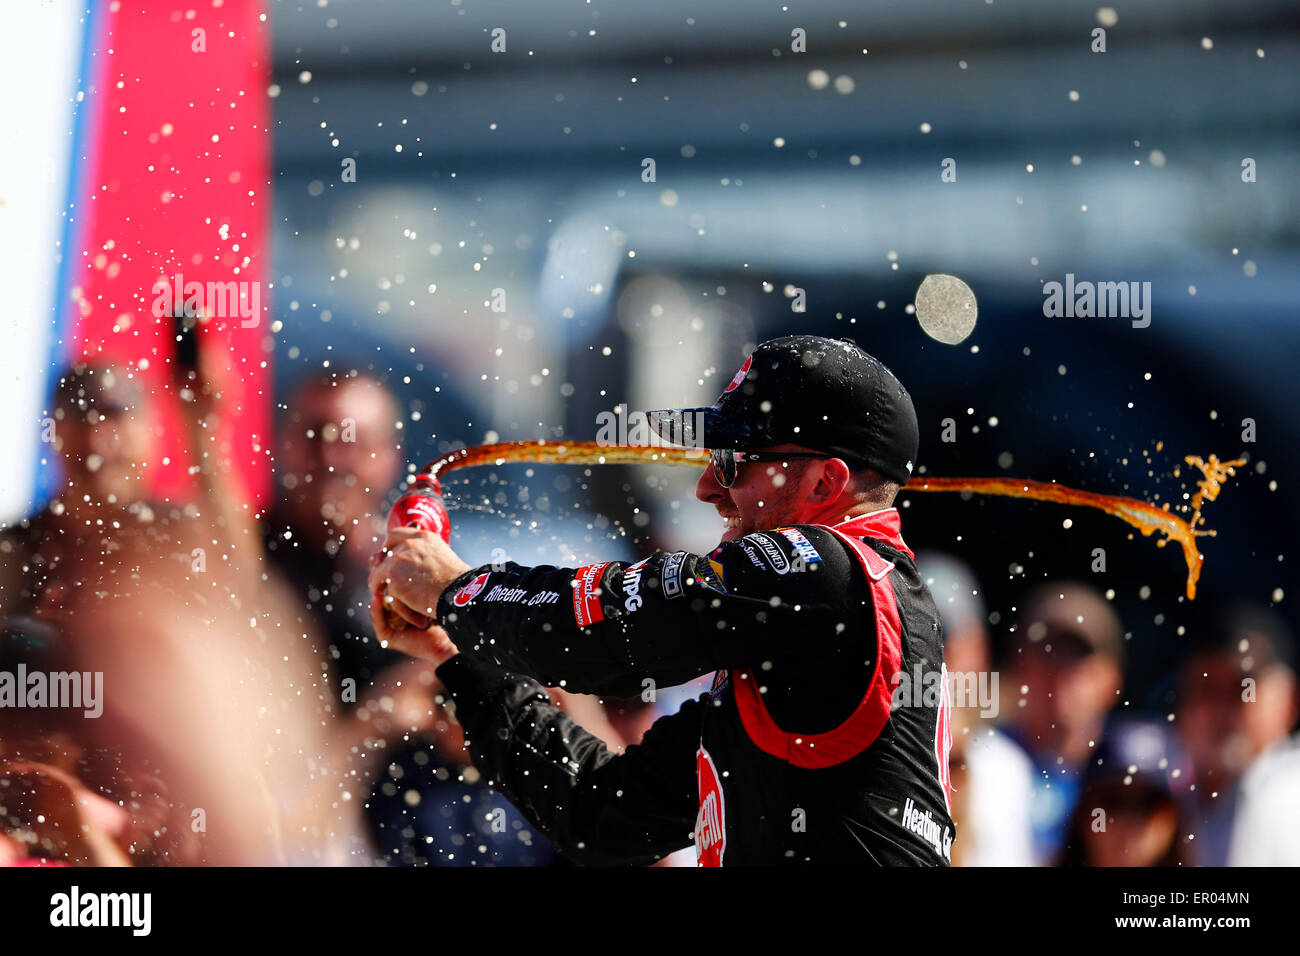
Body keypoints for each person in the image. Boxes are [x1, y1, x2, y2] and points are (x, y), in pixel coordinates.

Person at [369, 335, 956, 866]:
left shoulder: (829, 575)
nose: (707, 488)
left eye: (730, 462)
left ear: (825, 484)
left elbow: (609, 633)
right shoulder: (807, 628)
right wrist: (460, 656)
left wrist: (453, 589)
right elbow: (599, 816)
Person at [916, 552, 1035, 866]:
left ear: (979, 649)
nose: (932, 657)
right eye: (917, 636)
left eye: (943, 634)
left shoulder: (1008, 773)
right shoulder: (867, 755)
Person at [1000, 581, 1124, 865]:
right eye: (1047, 651)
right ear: (1019, 667)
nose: (1061, 671)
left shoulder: (1134, 783)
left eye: (1078, 655)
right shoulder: (973, 767)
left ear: (1112, 679)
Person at [1175, 604, 1297, 865]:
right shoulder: (1150, 794)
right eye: (1207, 689)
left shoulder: (1290, 790)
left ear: (1288, 702)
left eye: (1241, 689)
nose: (1220, 709)